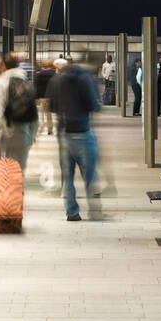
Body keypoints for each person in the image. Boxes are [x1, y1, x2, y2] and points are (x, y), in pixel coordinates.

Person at [48, 58, 102, 222]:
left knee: (67, 176)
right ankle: (94, 211)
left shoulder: (56, 79)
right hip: (83, 131)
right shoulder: (85, 78)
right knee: (90, 175)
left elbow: (52, 106)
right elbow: (93, 105)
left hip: (63, 133)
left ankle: (72, 212)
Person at [0, 51, 37, 175]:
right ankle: (17, 193)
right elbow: (34, 113)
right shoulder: (26, 82)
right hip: (23, 134)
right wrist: (32, 136)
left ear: (3, 66)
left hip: (5, 136)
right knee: (17, 174)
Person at [34, 57, 56, 137]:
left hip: (40, 96)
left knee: (40, 114)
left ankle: (40, 128)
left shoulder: (39, 74)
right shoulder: (53, 74)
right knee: (48, 114)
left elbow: (36, 86)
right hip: (49, 96)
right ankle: (50, 129)